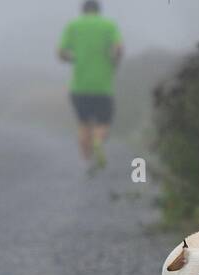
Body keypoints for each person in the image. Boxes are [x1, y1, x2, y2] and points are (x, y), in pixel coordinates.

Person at [57, 1, 122, 171]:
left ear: (83, 11)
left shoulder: (73, 26)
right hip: (103, 86)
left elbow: (61, 52)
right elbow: (118, 48)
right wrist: (113, 62)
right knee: (104, 122)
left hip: (79, 87)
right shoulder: (109, 25)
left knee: (83, 124)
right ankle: (98, 141)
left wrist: (74, 59)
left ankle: (88, 163)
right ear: (98, 11)